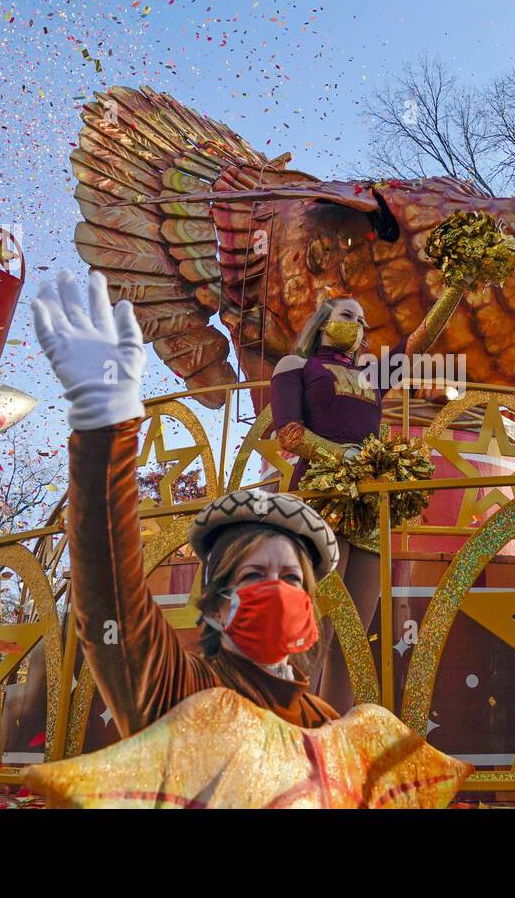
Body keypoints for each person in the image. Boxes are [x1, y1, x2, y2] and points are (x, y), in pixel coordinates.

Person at [31, 271, 341, 734]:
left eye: (291, 578)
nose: (276, 591)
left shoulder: (327, 726)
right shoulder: (178, 691)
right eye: (253, 575)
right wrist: (103, 425)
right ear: (215, 605)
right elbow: (110, 592)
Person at [269, 285, 466, 712]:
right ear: (323, 323)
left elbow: (419, 342)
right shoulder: (295, 365)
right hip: (319, 495)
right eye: (347, 316)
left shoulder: (372, 375)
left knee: (354, 637)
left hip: (370, 504)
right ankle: (293, 737)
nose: (357, 326)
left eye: (362, 321)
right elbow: (289, 433)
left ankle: (334, 739)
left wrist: (461, 282)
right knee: (314, 627)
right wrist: (347, 458)